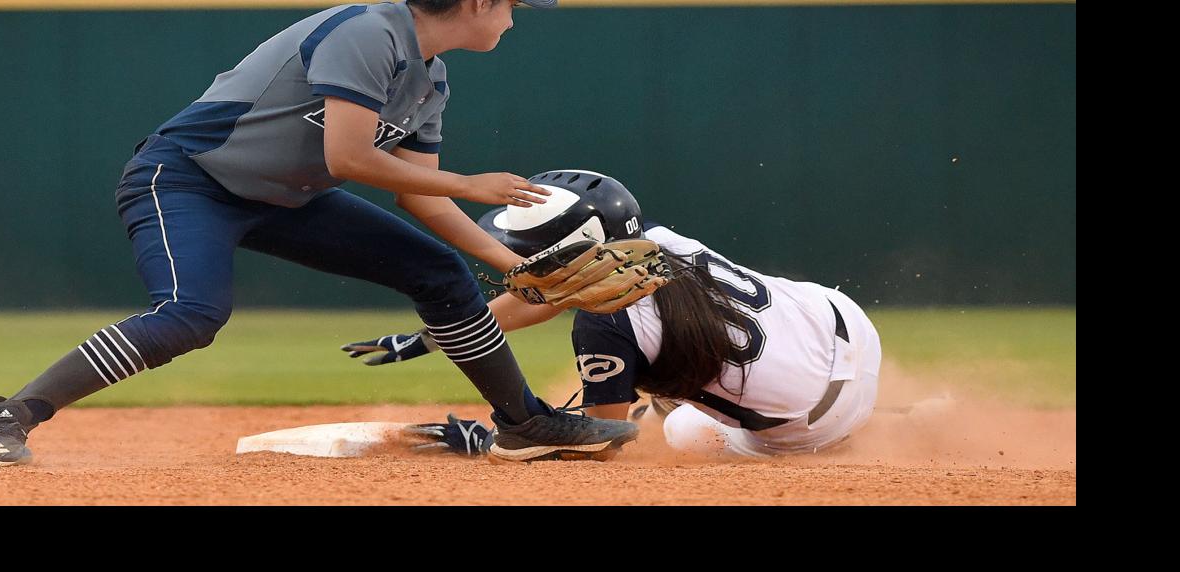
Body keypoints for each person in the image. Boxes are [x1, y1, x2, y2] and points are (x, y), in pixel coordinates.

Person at [0, 0, 639, 466]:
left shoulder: (429, 76)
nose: (515, 18)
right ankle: (6, 416)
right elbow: (348, 159)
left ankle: (523, 423)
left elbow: (413, 192)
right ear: (476, 2)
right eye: (513, 5)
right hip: (189, 179)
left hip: (286, 196)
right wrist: (470, 184)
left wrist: (510, 266)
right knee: (191, 314)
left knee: (438, 272)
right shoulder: (368, 31)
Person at [344, 169, 883, 458]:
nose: (522, 261)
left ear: (575, 251)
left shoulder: (603, 326)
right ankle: (898, 417)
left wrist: (487, 442)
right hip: (843, 322)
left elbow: (604, 442)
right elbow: (549, 297)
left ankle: (840, 438)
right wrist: (429, 339)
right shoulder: (654, 241)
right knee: (689, 344)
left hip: (809, 427)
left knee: (677, 422)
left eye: (533, 252)